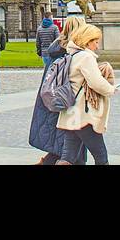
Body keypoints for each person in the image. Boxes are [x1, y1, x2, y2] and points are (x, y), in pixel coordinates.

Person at [55, 24, 118, 165]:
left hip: (71, 112)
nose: (97, 46)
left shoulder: (72, 55)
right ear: (87, 41)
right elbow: (96, 82)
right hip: (84, 113)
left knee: (68, 158)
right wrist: (111, 89)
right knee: (101, 156)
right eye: (95, 42)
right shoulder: (85, 57)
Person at [28, 14, 84, 164]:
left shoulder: (56, 49)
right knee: (68, 144)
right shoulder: (70, 54)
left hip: (53, 99)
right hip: (65, 101)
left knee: (64, 144)